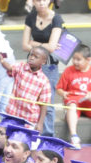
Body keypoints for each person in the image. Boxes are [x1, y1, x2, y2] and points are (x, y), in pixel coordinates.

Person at [21, 0, 63, 136]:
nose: (41, 2)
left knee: (47, 104)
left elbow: (51, 47)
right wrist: (44, 45)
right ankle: (31, 134)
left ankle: (48, 136)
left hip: (49, 66)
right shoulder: (30, 17)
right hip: (32, 64)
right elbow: (24, 45)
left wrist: (33, 43)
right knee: (30, 100)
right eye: (38, 0)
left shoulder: (57, 18)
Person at [56, 44, 91, 149]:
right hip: (74, 101)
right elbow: (59, 88)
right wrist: (63, 93)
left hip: (89, 102)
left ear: (88, 60)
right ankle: (74, 136)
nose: (75, 62)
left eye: (79, 59)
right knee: (72, 105)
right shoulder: (68, 71)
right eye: (73, 59)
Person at [0, 47, 51, 132]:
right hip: (12, 114)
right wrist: (2, 61)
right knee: (8, 138)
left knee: (21, 142)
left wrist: (40, 123)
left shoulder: (44, 81)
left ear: (43, 61)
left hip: (28, 120)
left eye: (36, 57)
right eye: (31, 55)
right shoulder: (21, 67)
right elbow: (10, 68)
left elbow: (44, 104)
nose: (32, 58)